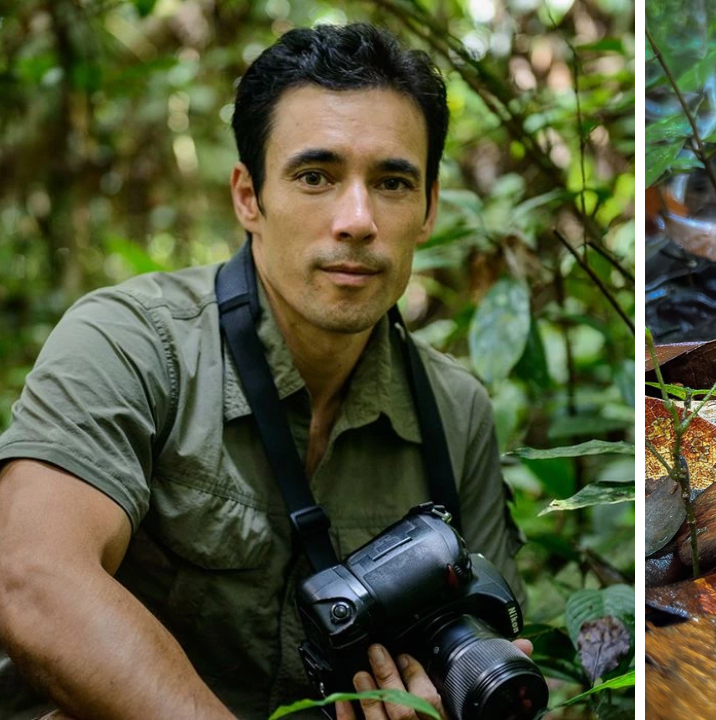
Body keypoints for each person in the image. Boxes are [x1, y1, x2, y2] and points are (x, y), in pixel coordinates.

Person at [0, 23, 528, 720]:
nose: (357, 219)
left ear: (429, 208)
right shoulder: (133, 341)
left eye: (393, 182)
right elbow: (33, 577)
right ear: (249, 197)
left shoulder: (453, 411)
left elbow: (497, 643)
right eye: (316, 176)